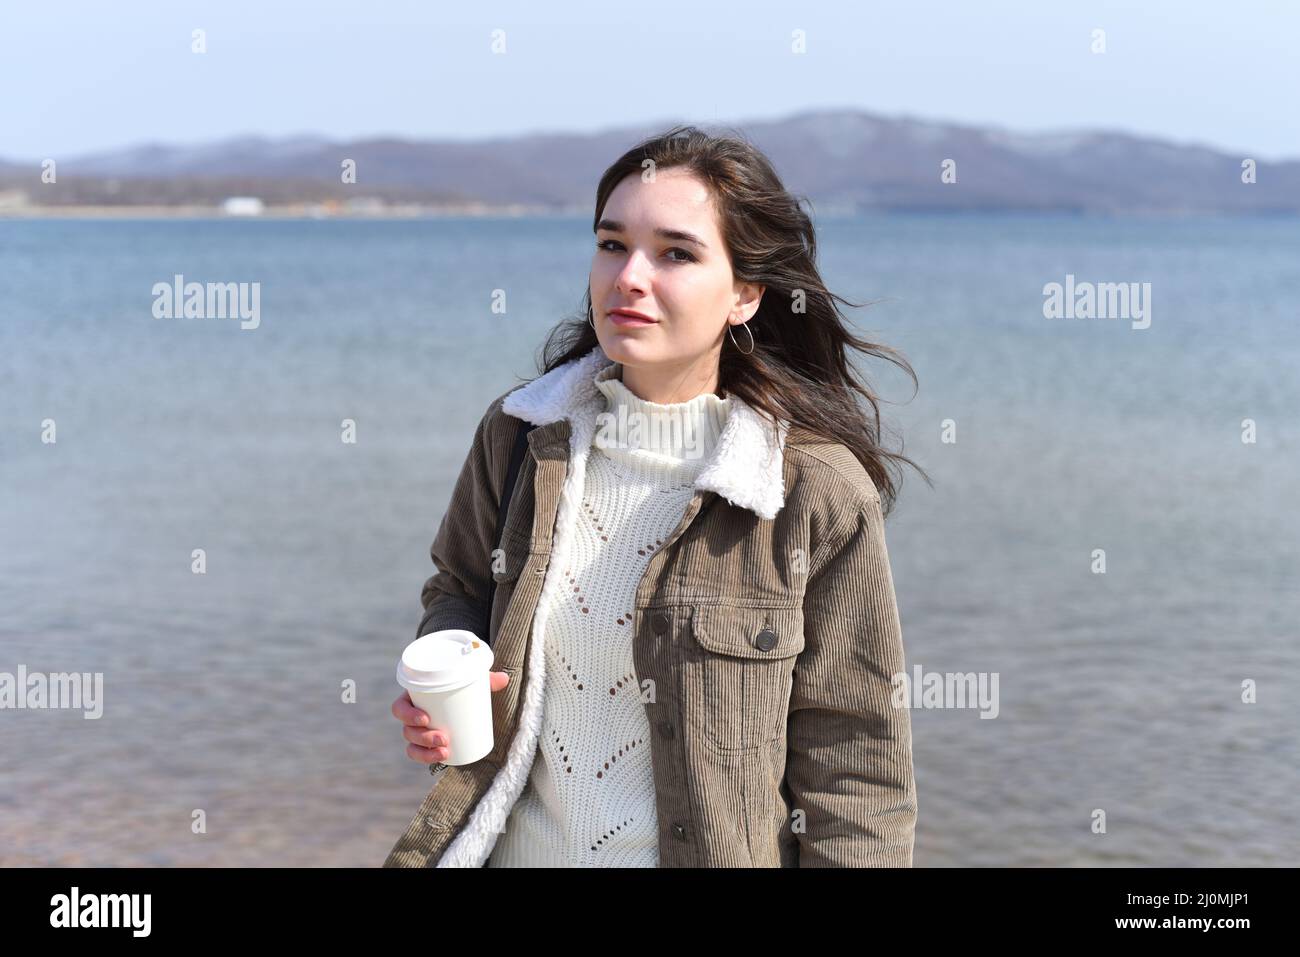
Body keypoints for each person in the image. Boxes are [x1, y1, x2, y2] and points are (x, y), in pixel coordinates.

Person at [386, 124, 928, 868]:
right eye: (612, 244)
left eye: (676, 253)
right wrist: (446, 680)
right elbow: (460, 588)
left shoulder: (810, 491)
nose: (629, 277)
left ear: (745, 293)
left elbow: (857, 768)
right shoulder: (520, 438)